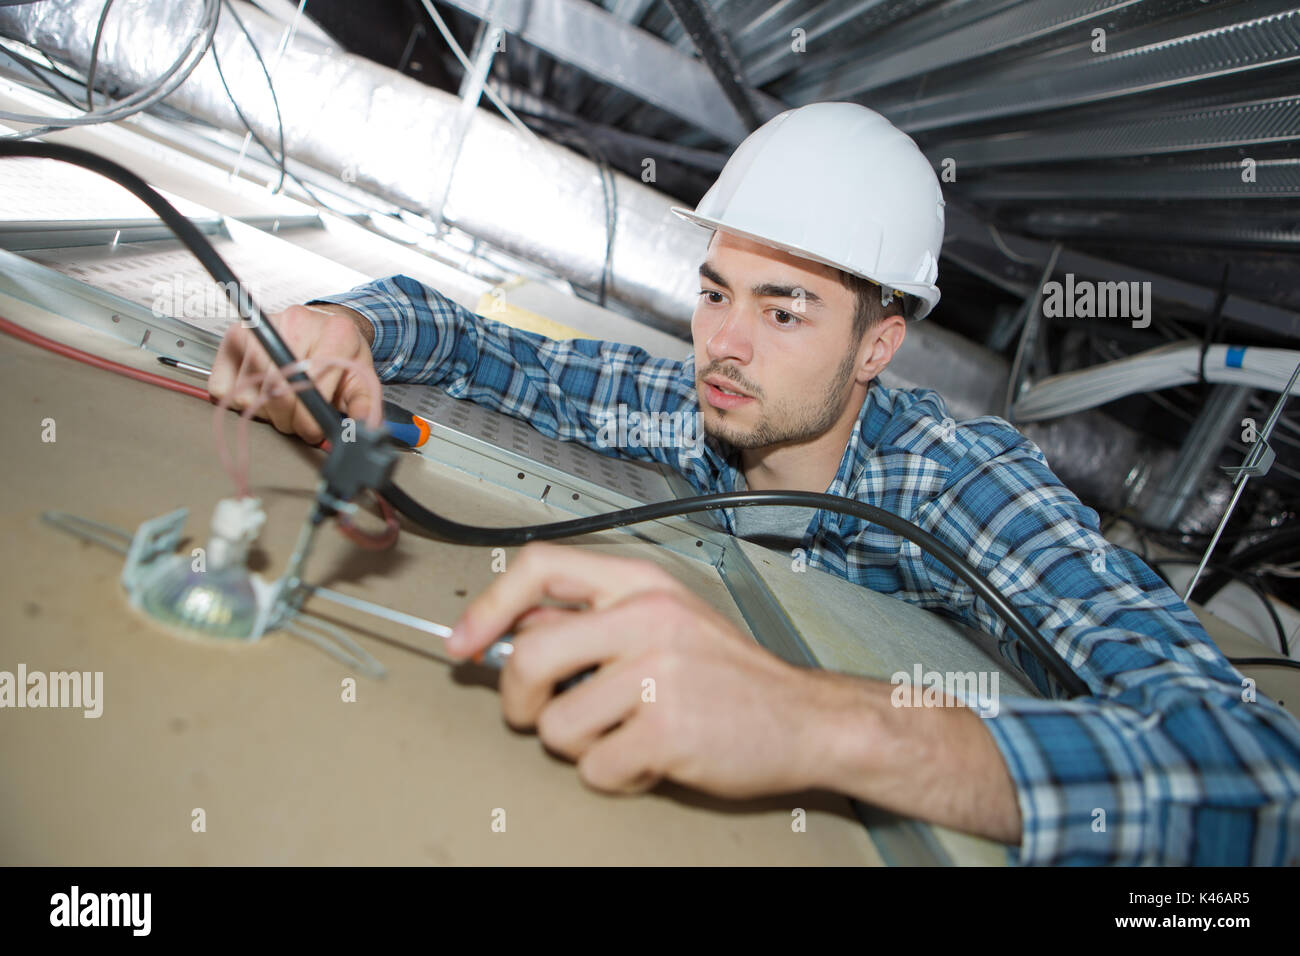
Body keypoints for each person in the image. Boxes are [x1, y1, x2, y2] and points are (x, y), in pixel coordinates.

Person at [209, 102, 1300, 865]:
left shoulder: (960, 480)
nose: (723, 345)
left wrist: (816, 721)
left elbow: (1258, 777)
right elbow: (490, 348)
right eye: (715, 292)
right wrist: (345, 326)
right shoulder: (694, 408)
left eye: (784, 309)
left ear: (877, 346)